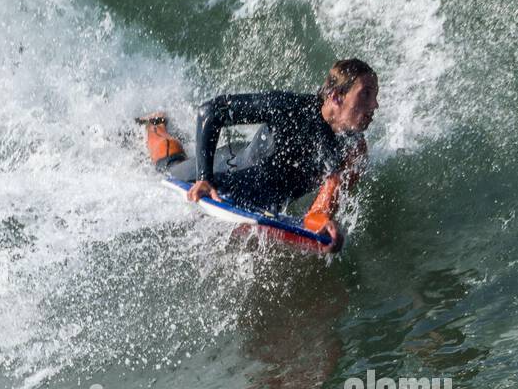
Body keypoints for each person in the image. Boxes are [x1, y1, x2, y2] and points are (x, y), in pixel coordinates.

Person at [141, 59, 378, 252]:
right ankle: (156, 124)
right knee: (167, 167)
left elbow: (320, 211)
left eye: (375, 96)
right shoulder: (290, 109)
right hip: (223, 173)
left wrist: (325, 229)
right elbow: (211, 112)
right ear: (336, 96)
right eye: (366, 94)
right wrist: (205, 178)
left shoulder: (353, 150)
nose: (374, 105)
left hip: (260, 201)